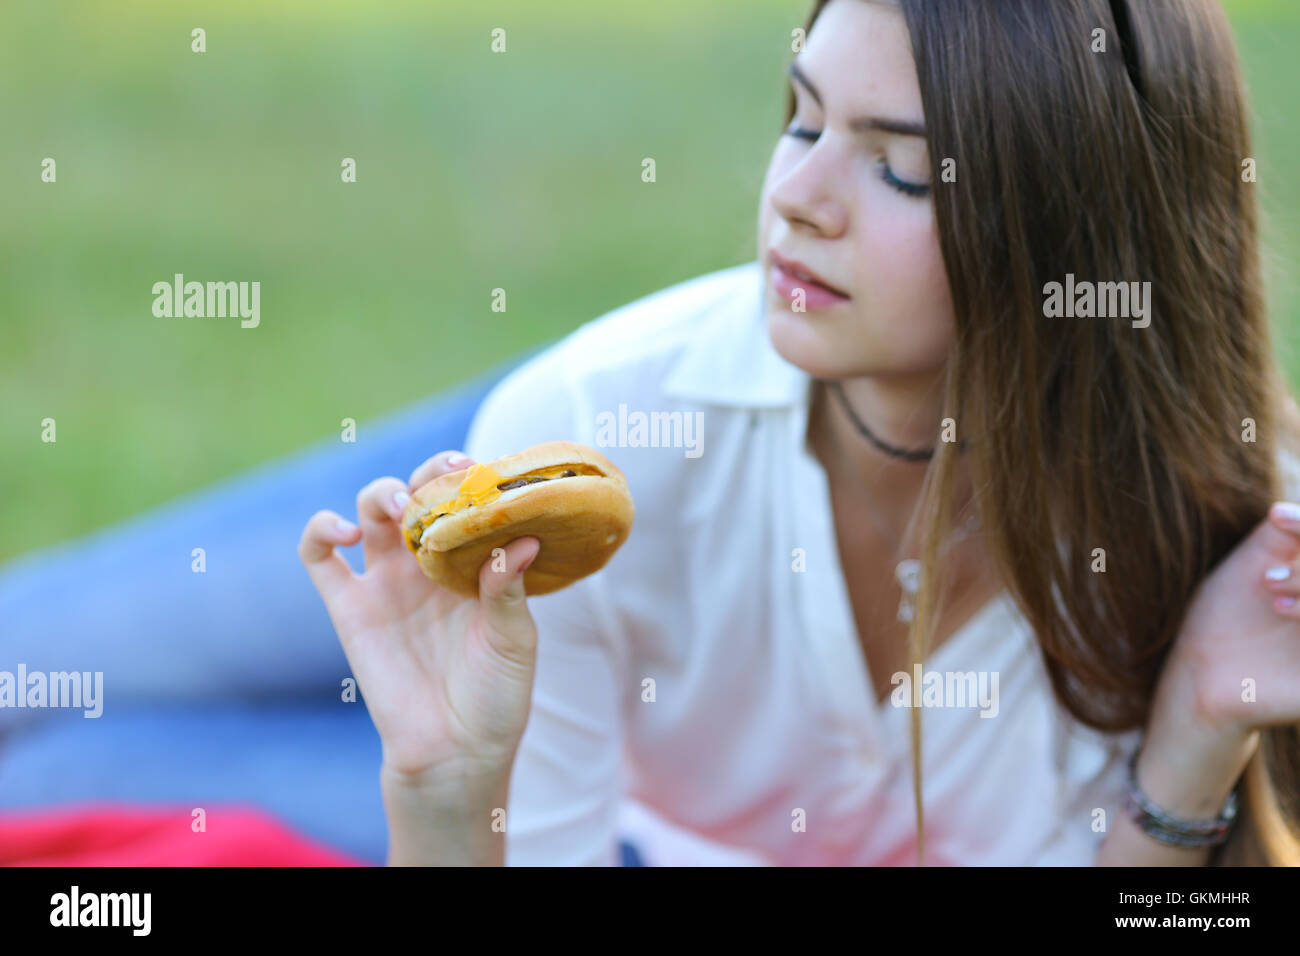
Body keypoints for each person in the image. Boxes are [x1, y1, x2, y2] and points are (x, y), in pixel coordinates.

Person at [299, 0, 1300, 866]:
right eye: (803, 119)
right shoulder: (591, 417)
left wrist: (1197, 731)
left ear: (1077, 230)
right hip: (595, 436)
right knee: (144, 681)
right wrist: (446, 792)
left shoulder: (1218, 543)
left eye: (901, 169)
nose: (793, 198)